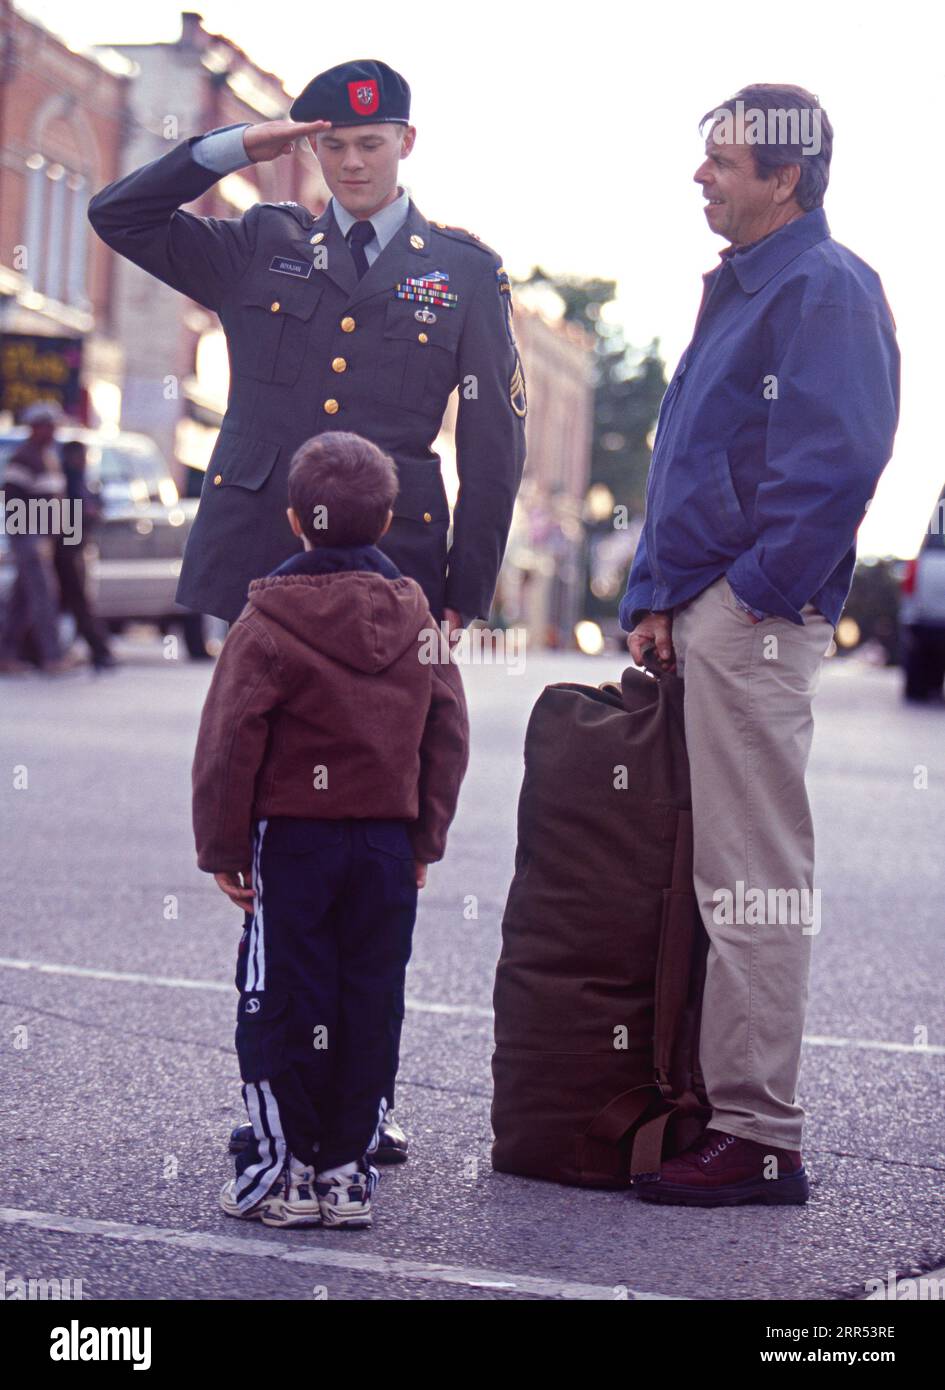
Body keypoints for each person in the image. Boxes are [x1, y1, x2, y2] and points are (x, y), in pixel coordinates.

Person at [89, 56, 525, 1158]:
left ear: (407, 146)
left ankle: (359, 1102)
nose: (351, 161)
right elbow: (118, 210)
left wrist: (464, 591)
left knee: (375, 843)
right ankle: (280, 1097)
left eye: (370, 143)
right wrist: (249, 146)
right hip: (265, 574)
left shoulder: (462, 273)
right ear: (313, 146)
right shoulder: (262, 243)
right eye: (332, 142)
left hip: (397, 581)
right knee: (279, 830)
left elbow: (494, 440)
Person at [622, 85, 899, 1206]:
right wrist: (655, 595)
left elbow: (837, 463)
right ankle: (715, 1106)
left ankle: (761, 1133)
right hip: (703, 612)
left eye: (724, 162)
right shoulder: (745, 287)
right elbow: (692, 457)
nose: (702, 177)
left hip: (753, 622)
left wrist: (748, 597)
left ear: (785, 177)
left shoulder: (823, 285)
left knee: (754, 877)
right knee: (714, 870)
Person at [191, 430, 469, 1227]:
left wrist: (222, 845)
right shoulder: (419, 618)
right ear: (385, 525)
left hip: (294, 840)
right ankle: (346, 1173)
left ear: (293, 520)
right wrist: (424, 838)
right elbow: (447, 733)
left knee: (280, 997)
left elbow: (228, 741)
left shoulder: (267, 620)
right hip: (383, 842)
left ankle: (285, 1172)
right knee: (368, 997)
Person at [0, 401, 70, 676]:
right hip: (30, 539)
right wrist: (31, 538)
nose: (53, 432)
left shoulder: (48, 457)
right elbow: (13, 501)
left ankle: (5, 655)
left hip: (43, 538)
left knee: (21, 600)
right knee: (44, 596)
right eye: (48, 426)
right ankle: (52, 657)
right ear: (36, 428)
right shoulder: (24, 457)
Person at [53, 440, 115, 672]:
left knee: (75, 603)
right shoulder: (66, 480)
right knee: (75, 602)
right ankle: (98, 652)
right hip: (65, 550)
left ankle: (97, 652)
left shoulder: (80, 481)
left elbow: (92, 508)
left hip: (75, 548)